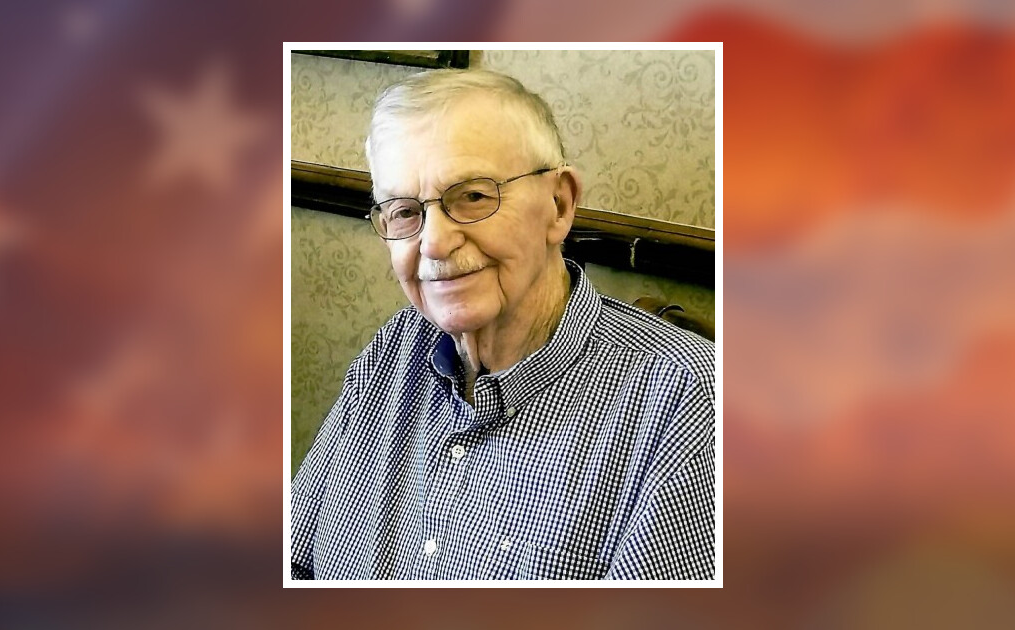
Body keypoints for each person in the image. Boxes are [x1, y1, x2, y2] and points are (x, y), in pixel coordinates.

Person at [291, 68, 716, 580]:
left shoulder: (685, 404)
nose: (434, 243)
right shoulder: (393, 350)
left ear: (558, 206)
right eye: (404, 212)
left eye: (472, 197)